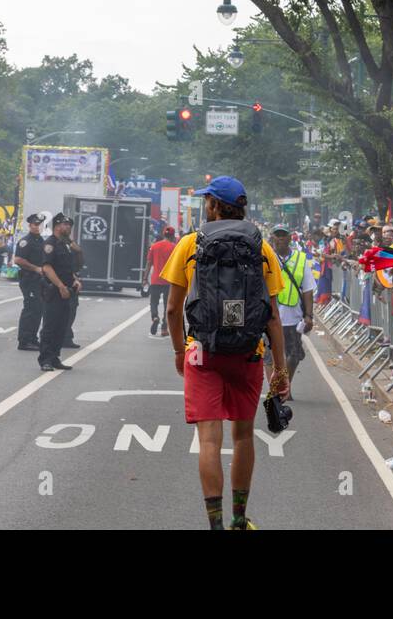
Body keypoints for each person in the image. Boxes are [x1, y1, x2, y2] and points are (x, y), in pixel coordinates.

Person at [162, 176, 290, 530]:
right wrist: (279, 369)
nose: (206, 206)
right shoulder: (261, 248)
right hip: (249, 352)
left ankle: (215, 524)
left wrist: (178, 351)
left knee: (208, 438)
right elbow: (274, 317)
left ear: (215, 206)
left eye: (208, 201)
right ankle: (238, 518)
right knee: (244, 435)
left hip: (202, 353)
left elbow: (173, 310)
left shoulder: (190, 243)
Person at [268, 224, 314, 398]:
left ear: (290, 238)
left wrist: (309, 315)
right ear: (273, 238)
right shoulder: (267, 257)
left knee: (294, 355)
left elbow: (308, 290)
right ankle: (279, 389)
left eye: (283, 235)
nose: (280, 238)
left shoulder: (301, 259)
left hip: (293, 318)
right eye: (277, 235)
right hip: (270, 316)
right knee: (270, 355)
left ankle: (284, 385)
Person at [38, 213, 82, 372]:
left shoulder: (64, 245)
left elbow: (67, 268)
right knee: (50, 326)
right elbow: (47, 267)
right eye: (65, 224)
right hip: (54, 291)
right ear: (57, 226)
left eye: (69, 225)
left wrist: (75, 279)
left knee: (61, 326)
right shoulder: (50, 244)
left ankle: (55, 357)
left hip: (67, 291)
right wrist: (61, 286)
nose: (68, 227)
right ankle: (45, 359)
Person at [13, 213, 47, 352]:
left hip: (38, 280)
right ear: (30, 225)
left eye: (40, 224)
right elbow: (18, 260)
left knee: (38, 309)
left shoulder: (40, 241)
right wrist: (36, 268)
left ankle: (32, 338)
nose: (38, 227)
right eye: (35, 224)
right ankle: (25, 340)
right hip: (29, 278)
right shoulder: (26, 241)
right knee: (31, 309)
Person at [145, 226, 177, 337]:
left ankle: (154, 317)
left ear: (164, 234)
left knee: (153, 302)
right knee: (167, 305)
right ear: (172, 236)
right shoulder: (174, 248)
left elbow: (149, 263)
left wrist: (145, 279)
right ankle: (164, 329)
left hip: (155, 280)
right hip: (168, 281)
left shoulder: (154, 246)